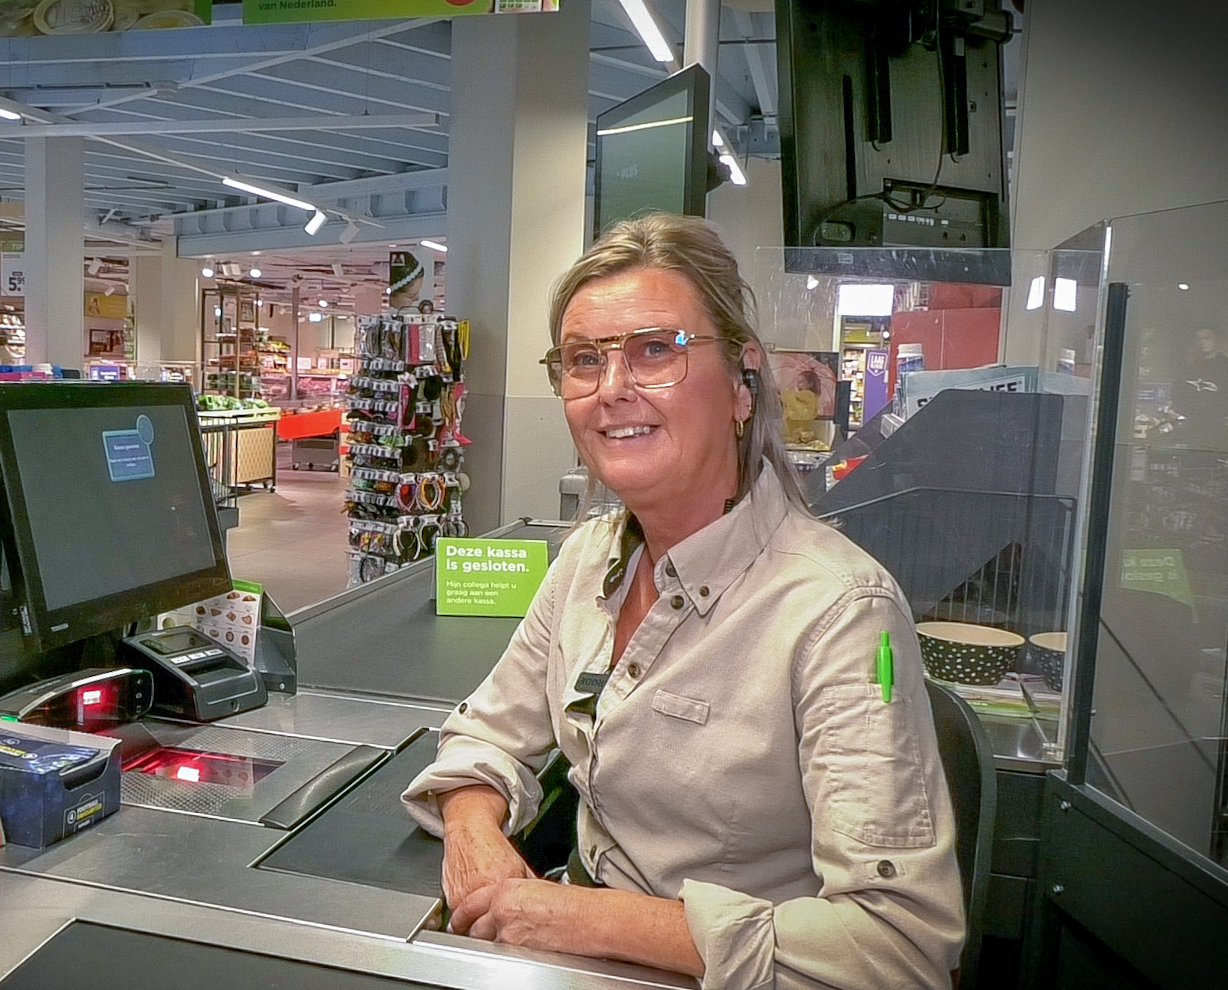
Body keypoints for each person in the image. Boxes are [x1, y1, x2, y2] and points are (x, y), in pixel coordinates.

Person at [401, 213, 964, 988]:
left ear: (742, 382)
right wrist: (472, 830)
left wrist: (576, 916)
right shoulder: (589, 557)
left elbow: (897, 948)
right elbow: (486, 732)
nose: (611, 391)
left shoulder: (838, 612)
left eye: (655, 351)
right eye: (582, 361)